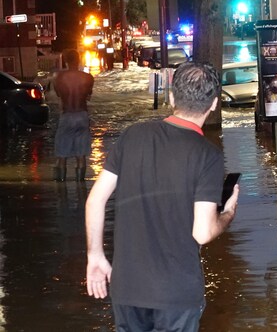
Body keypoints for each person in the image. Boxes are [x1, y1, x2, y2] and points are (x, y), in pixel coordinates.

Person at [85, 62, 239, 332]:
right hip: (176, 295)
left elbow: (96, 200)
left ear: (170, 97)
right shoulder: (208, 156)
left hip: (127, 289)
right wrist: (227, 214)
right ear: (214, 103)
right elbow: (202, 233)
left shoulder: (133, 135)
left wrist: (95, 256)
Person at [53, 49, 95, 182]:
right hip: (82, 115)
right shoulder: (88, 78)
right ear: (78, 60)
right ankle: (81, 187)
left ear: (65, 61)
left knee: (61, 155)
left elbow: (59, 95)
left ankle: (61, 188)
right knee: (81, 155)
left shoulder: (59, 78)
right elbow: (88, 96)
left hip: (67, 115)